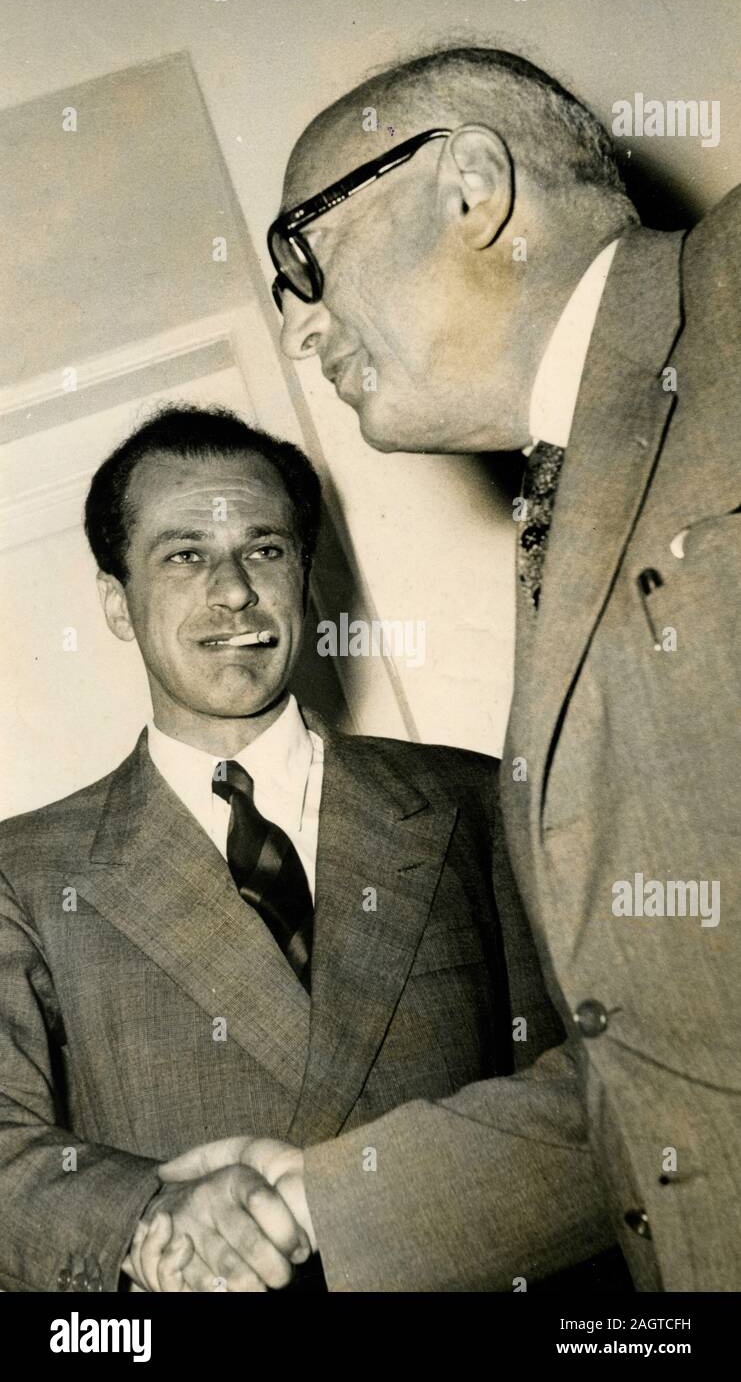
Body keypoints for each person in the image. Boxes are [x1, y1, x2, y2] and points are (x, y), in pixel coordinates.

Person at [156, 47, 739, 1292]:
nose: (299, 324)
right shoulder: (560, 517)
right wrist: (321, 1201)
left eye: (305, 256)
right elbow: (656, 1085)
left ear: (472, 185)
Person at [0, 403, 567, 1294]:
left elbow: (582, 1093)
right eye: (184, 555)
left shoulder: (474, 801)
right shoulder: (26, 873)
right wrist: (147, 1215)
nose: (233, 590)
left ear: (304, 574)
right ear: (116, 602)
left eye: (263, 549)